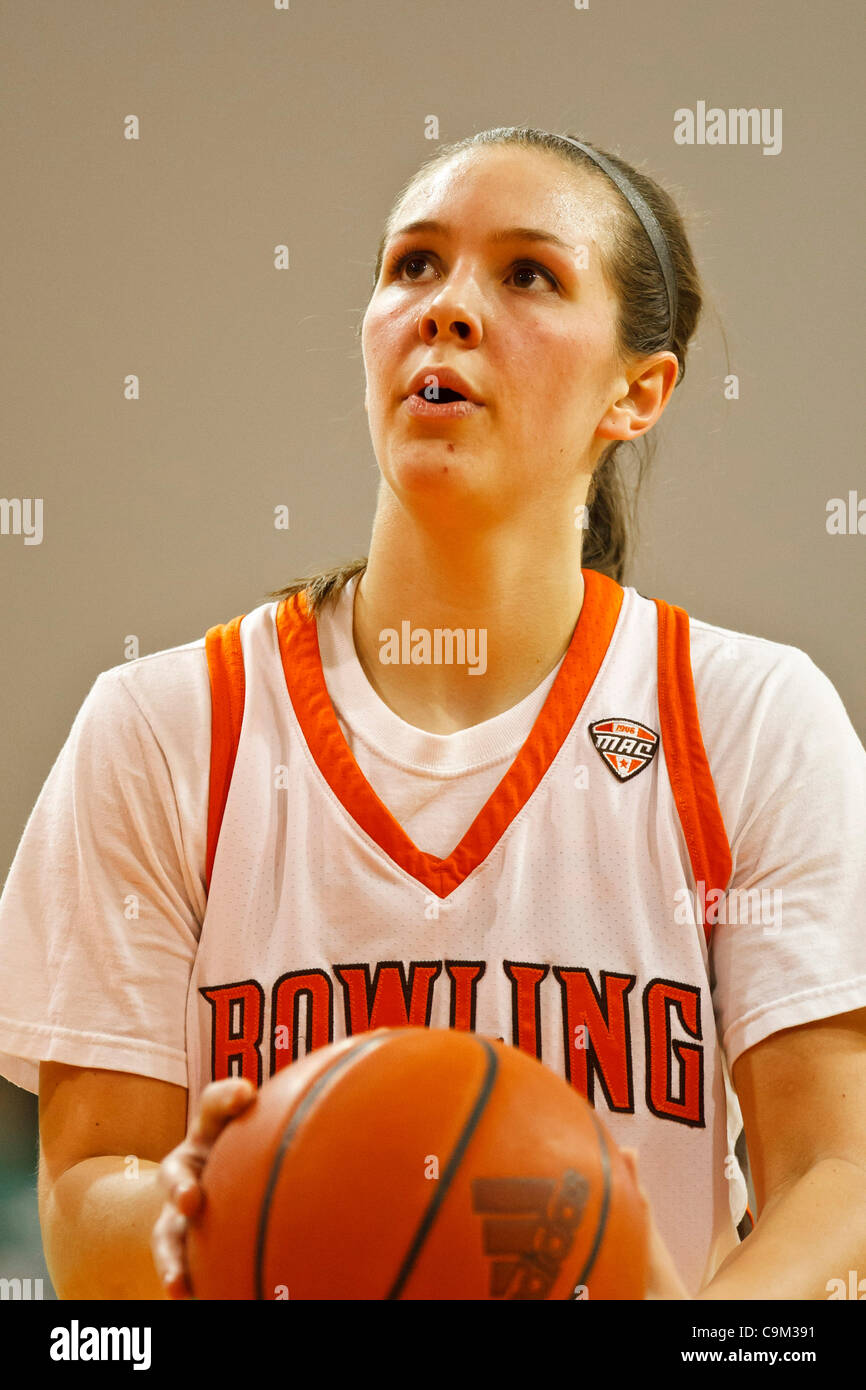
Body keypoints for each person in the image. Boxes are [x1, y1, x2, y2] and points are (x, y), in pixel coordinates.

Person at [2, 126, 864, 1302]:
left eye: (527, 274)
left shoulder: (747, 719)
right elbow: (85, 1216)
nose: (448, 308)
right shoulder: (162, 730)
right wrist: (260, 1187)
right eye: (413, 265)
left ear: (637, 389)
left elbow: (836, 1175)